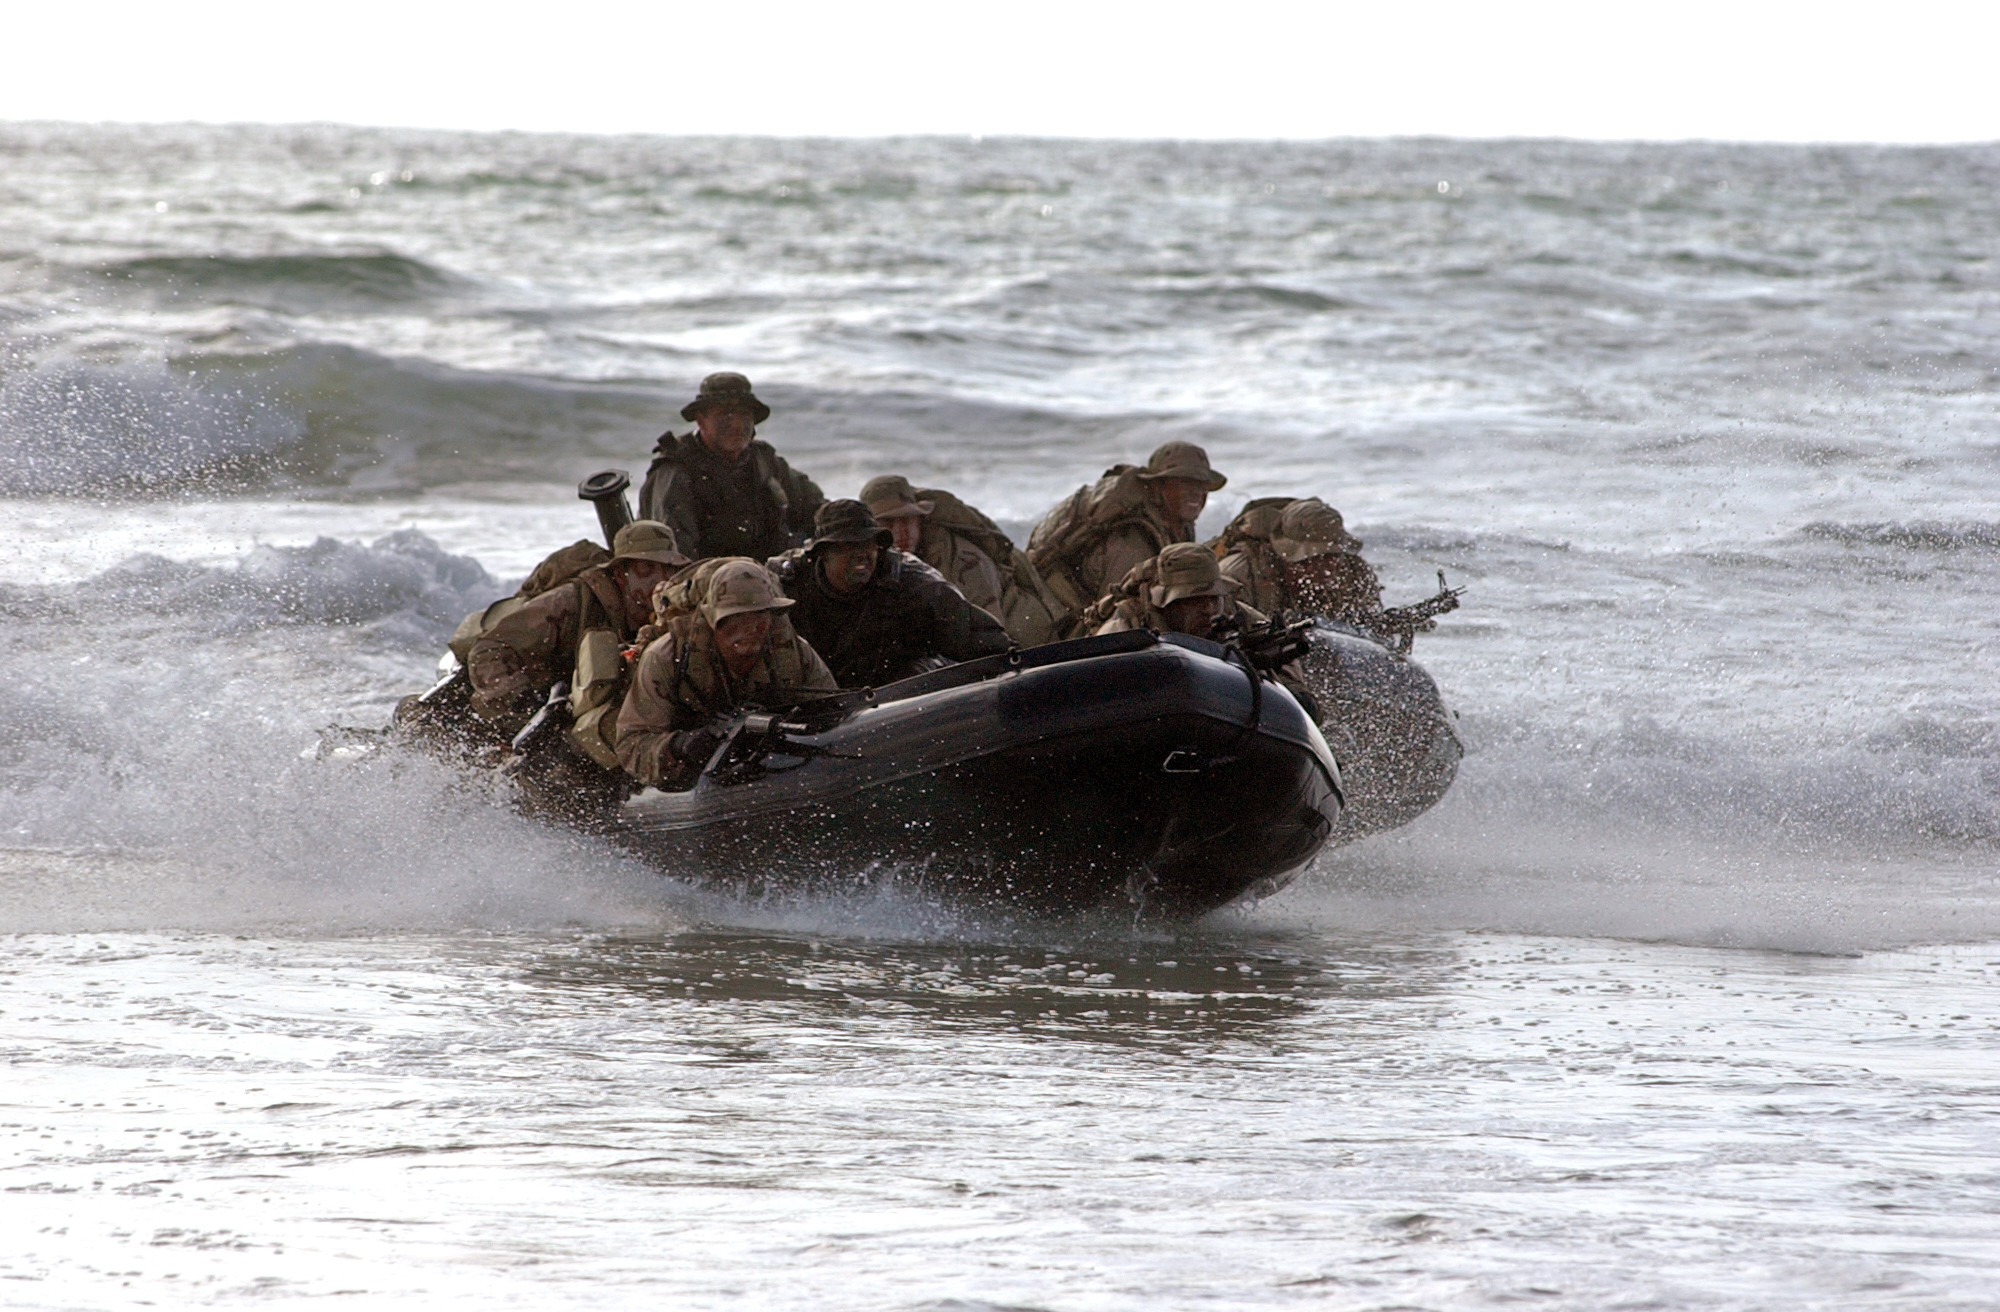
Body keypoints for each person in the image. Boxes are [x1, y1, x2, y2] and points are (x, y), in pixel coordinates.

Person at [466, 520, 690, 752]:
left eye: (669, 568)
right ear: (620, 575)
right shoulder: (570, 602)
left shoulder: (664, 616)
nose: (659, 579)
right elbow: (489, 650)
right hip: (510, 716)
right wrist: (524, 708)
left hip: (578, 725)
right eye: (646, 569)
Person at [615, 559, 837, 791]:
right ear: (712, 620)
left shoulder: (793, 652)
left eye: (759, 616)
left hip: (777, 769)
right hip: (693, 779)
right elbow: (631, 744)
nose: (749, 628)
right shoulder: (666, 657)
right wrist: (680, 745)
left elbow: (835, 712)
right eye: (735, 618)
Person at [769, 500, 1012, 687]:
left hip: (893, 701)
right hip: (815, 698)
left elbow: (987, 643)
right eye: (849, 546)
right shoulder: (788, 583)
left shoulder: (913, 584)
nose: (863, 554)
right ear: (823, 553)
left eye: (869, 544)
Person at [1092, 542, 1319, 717]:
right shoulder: (1126, 623)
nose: (1208, 609)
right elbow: (1101, 691)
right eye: (1193, 599)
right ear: (1168, 603)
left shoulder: (1244, 619)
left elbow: (1301, 697)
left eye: (1213, 597)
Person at [1025, 440, 1228, 629]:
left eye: (1201, 485)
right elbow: (1115, 611)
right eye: (1185, 483)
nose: (1196, 492)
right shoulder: (1132, 540)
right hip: (1069, 625)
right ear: (1159, 486)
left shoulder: (1176, 526)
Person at [859, 474, 1067, 647]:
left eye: (907, 520)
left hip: (1026, 644)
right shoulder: (877, 563)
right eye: (888, 523)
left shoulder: (964, 562)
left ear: (920, 519)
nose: (901, 532)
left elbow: (990, 638)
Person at [637, 371, 825, 561]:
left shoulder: (763, 460)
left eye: (744, 414)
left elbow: (815, 509)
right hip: (707, 583)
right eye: (725, 414)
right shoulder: (676, 470)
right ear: (701, 420)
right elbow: (676, 554)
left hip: (770, 575)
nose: (736, 424)